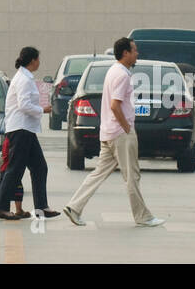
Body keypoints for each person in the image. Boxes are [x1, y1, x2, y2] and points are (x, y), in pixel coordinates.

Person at [62, 37, 165, 228]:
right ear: (125, 53)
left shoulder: (114, 71)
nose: (137, 54)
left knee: (98, 173)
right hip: (120, 134)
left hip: (109, 132)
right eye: (134, 50)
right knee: (132, 176)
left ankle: (74, 207)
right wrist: (126, 127)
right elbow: (115, 105)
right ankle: (143, 216)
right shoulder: (122, 75)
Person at [0, 46, 59, 221]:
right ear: (32, 61)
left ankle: (41, 207)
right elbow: (23, 105)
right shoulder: (23, 79)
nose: (39, 62)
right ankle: (1, 207)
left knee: (39, 167)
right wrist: (42, 109)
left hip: (27, 129)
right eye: (38, 59)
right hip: (20, 129)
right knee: (15, 169)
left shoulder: (26, 77)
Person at [0, 134, 28, 219]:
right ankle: (7, 210)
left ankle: (19, 210)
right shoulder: (11, 140)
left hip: (6, 169)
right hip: (9, 169)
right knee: (16, 190)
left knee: (16, 190)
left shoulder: (8, 139)